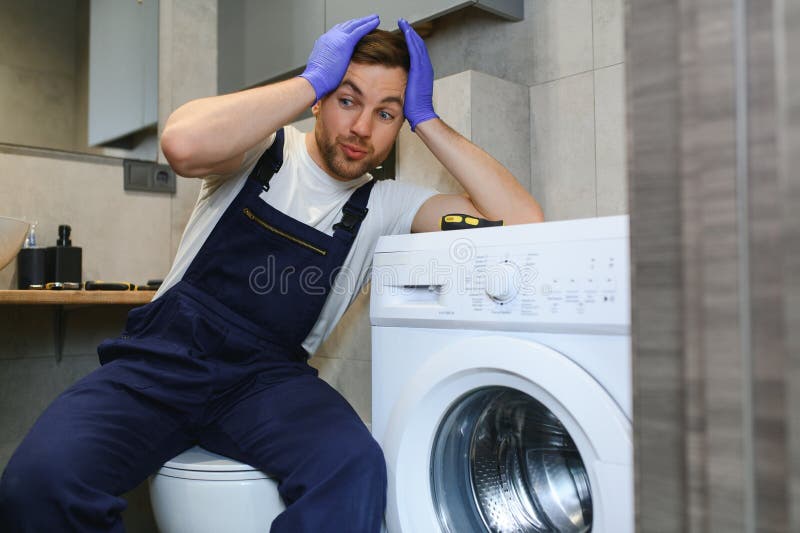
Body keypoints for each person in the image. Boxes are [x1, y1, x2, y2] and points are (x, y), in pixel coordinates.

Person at [0, 14, 543, 533]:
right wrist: (308, 80)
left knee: (353, 468)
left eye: (386, 113)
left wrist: (427, 120)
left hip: (265, 384)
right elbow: (182, 145)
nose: (360, 128)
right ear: (320, 100)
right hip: (161, 366)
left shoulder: (389, 205)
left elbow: (520, 222)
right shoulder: (263, 147)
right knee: (39, 482)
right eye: (347, 99)